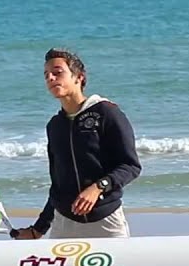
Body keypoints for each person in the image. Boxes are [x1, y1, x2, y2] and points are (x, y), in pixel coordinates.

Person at [12, 47, 142, 240]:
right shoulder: (55, 126)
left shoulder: (106, 113)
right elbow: (58, 186)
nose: (51, 78)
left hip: (106, 221)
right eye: (46, 75)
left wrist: (98, 187)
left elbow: (130, 166)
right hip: (64, 223)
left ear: (78, 77)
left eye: (57, 72)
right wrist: (38, 229)